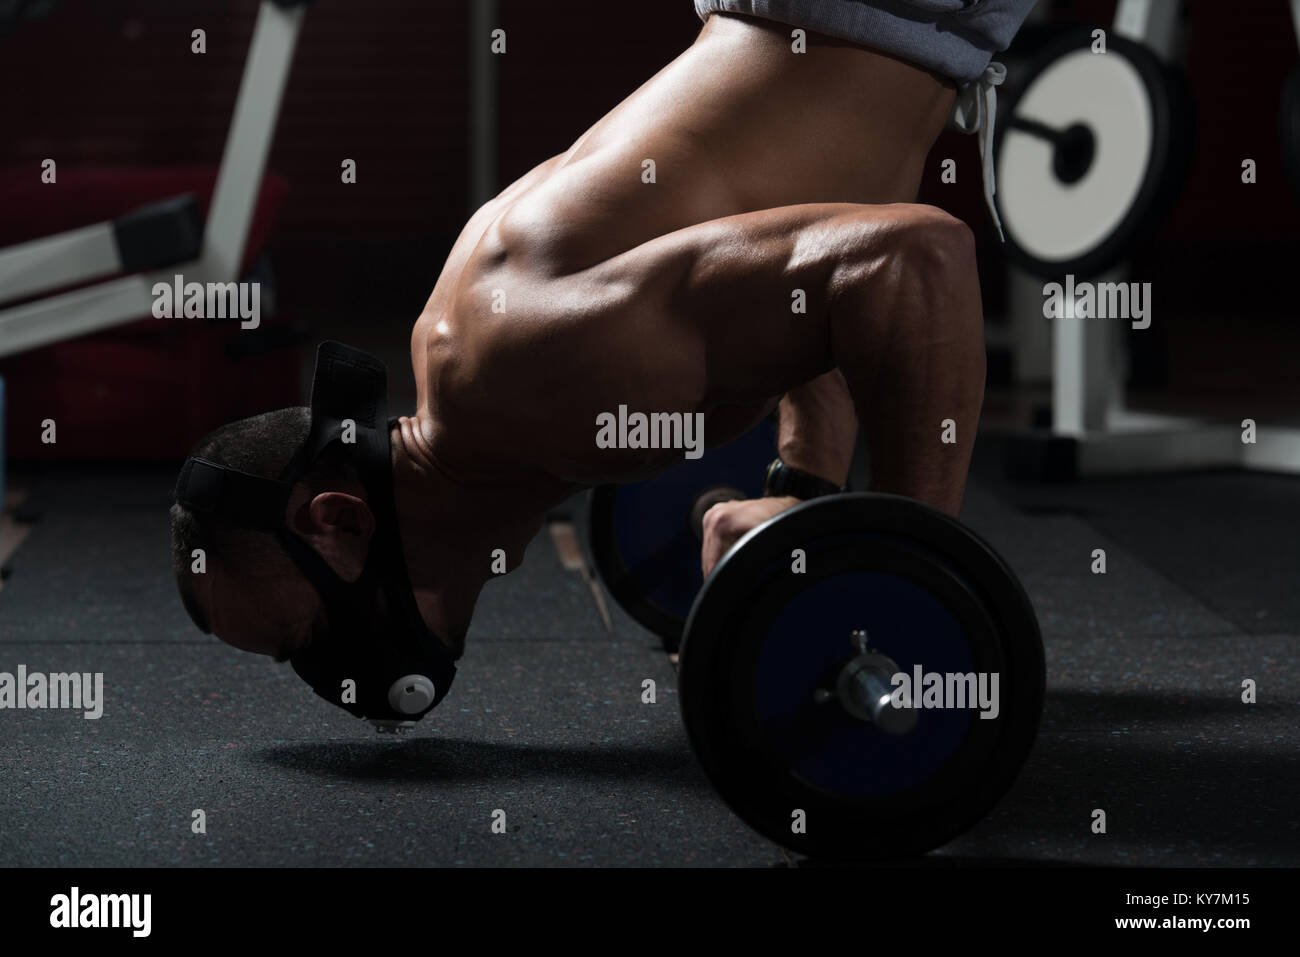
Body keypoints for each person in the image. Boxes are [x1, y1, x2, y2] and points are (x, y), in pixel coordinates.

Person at [171, 2, 1037, 673]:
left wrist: (908, 588)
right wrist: (805, 488)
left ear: (336, 519)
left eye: (310, 638)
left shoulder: (546, 384)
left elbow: (908, 261)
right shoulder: (489, 378)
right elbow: (804, 268)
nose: (345, 676)